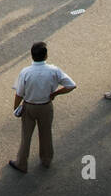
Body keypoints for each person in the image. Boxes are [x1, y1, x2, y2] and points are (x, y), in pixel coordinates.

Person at [7, 41, 76, 174]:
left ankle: (21, 163)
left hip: (29, 106)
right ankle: (46, 159)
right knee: (46, 133)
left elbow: (19, 93)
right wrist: (55, 93)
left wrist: (16, 108)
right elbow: (71, 85)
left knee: (26, 136)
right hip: (46, 106)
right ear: (46, 56)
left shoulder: (26, 72)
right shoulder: (54, 70)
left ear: (32, 56)